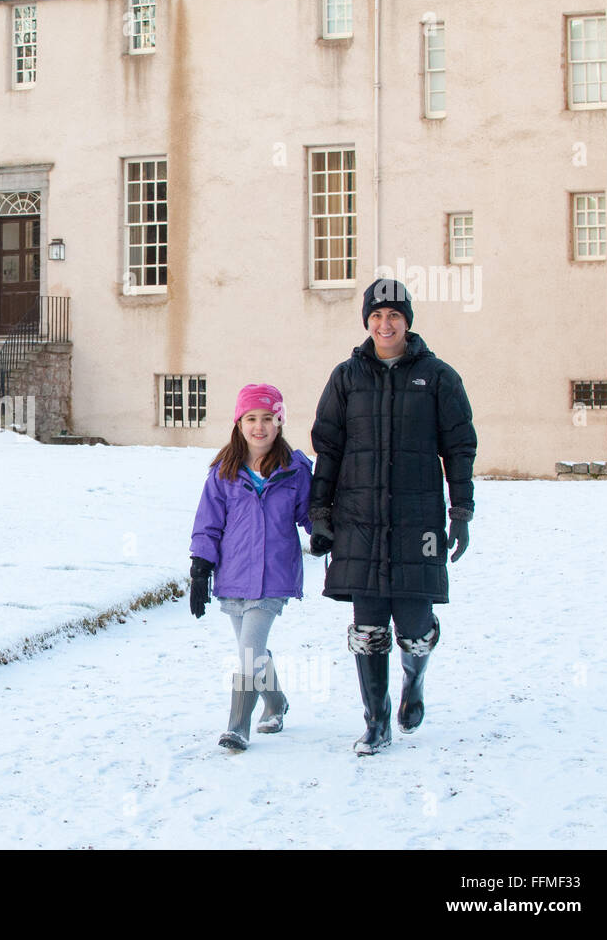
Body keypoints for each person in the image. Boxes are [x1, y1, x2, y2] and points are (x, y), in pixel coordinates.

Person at [308, 278, 477, 755]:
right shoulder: (346, 377)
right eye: (377, 316)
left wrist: (460, 510)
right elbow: (329, 448)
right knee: (368, 626)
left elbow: (459, 447)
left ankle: (414, 683)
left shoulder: (439, 377)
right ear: (367, 321)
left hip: (417, 519)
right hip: (358, 518)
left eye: (394, 316)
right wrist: (321, 511)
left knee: (415, 625)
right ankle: (376, 722)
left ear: (407, 322)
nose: (385, 324)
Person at [189, 384, 314, 751]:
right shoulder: (223, 473)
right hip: (233, 576)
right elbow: (207, 525)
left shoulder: (295, 471)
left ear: (279, 423)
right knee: (252, 650)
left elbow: (310, 514)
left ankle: (237, 726)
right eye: (251, 419)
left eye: (267, 419)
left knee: (248, 651)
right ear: (239, 423)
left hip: (274, 575)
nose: (259, 427)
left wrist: (324, 531)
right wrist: (200, 568)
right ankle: (276, 703)